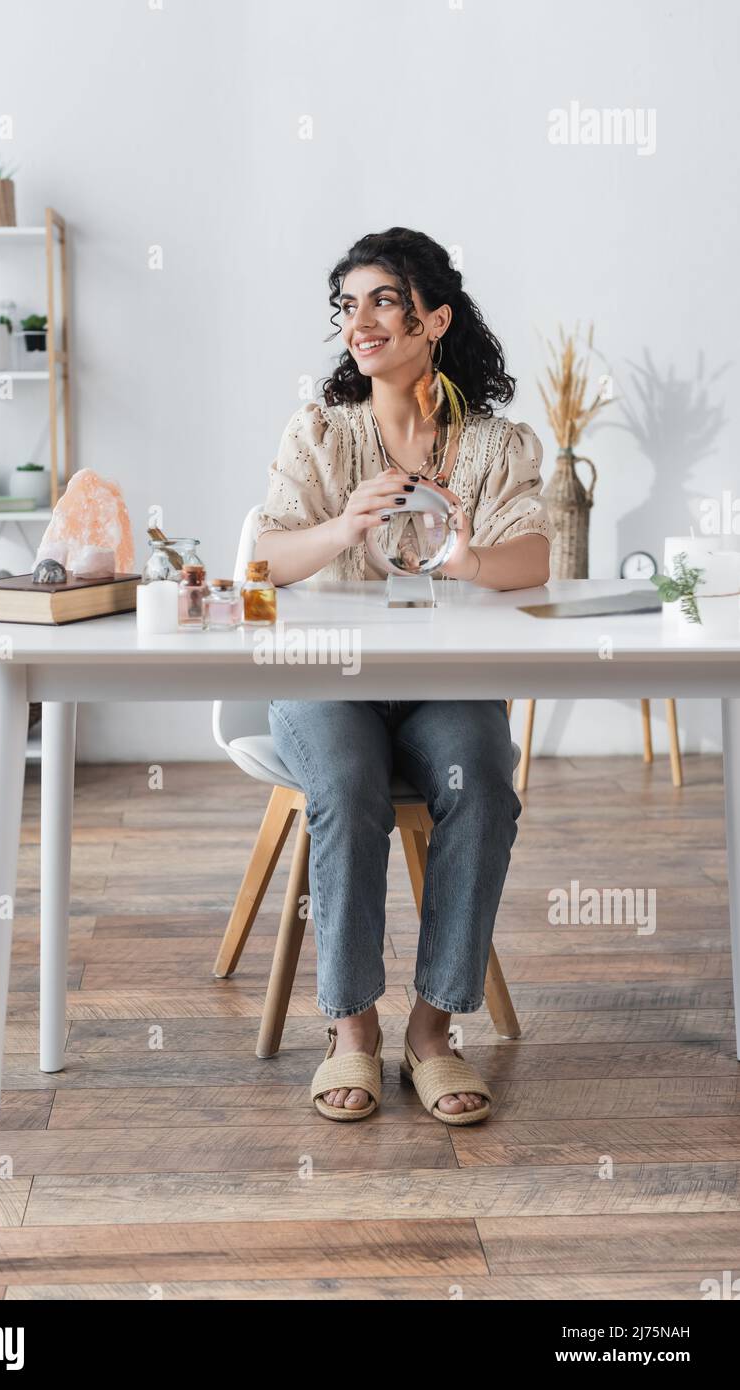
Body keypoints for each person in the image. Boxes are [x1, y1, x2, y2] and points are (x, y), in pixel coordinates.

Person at [253, 227, 555, 1126]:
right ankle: (350, 1032)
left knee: (483, 787)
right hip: (326, 681)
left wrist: (465, 560)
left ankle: (431, 1029)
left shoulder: (498, 445)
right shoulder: (319, 430)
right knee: (346, 784)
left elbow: (534, 557)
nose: (361, 321)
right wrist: (343, 526)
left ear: (434, 318)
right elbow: (266, 559)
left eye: (383, 300)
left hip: (444, 683)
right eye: (349, 305)